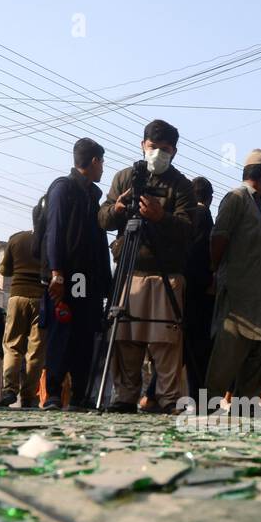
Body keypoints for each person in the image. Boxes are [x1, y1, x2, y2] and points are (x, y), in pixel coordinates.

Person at [98, 119, 195, 413]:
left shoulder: (182, 185)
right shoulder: (125, 178)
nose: (158, 154)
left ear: (174, 151)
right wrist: (117, 208)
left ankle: (168, 400)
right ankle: (124, 397)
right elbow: (102, 219)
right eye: (153, 147)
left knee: (166, 342)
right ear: (143, 145)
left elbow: (189, 229)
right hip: (130, 271)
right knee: (125, 338)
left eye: (165, 149)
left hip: (166, 274)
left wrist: (160, 217)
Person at [40, 136, 111, 410]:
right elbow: (54, 231)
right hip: (67, 277)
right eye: (102, 162)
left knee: (84, 335)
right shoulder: (64, 188)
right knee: (62, 333)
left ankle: (80, 395)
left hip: (87, 280)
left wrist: (106, 285)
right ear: (94, 161)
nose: (103, 168)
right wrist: (57, 272)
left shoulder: (92, 196)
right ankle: (54, 393)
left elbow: (98, 242)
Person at [205, 149, 261, 401]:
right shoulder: (237, 198)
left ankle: (245, 408)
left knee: (258, 352)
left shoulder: (258, 205)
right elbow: (218, 238)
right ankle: (208, 405)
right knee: (227, 353)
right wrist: (215, 273)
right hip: (238, 295)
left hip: (260, 299)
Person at [0, 212, 46, 408]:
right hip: (41, 299)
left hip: (17, 296)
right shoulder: (50, 241)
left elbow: (4, 270)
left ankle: (10, 389)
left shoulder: (16, 239)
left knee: (12, 345)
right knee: (35, 350)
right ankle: (28, 396)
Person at [183, 175, 215, 396]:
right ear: (210, 197)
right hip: (199, 290)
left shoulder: (184, 214)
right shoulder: (203, 215)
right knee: (198, 346)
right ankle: (198, 395)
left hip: (184, 285)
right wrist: (208, 281)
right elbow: (202, 253)